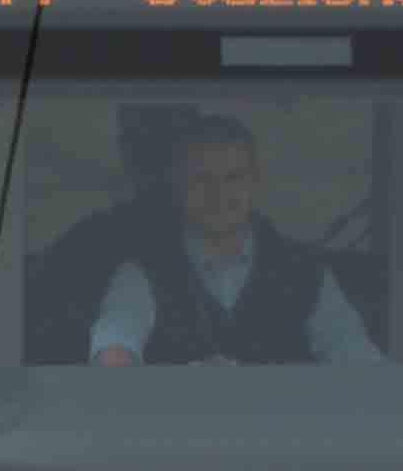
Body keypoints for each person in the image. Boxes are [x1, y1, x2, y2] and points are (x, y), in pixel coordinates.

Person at [87, 115, 379, 367]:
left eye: (233, 178)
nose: (219, 194)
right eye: (202, 179)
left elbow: (360, 364)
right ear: (178, 184)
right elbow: (114, 359)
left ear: (255, 182)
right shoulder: (143, 272)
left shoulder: (307, 274)